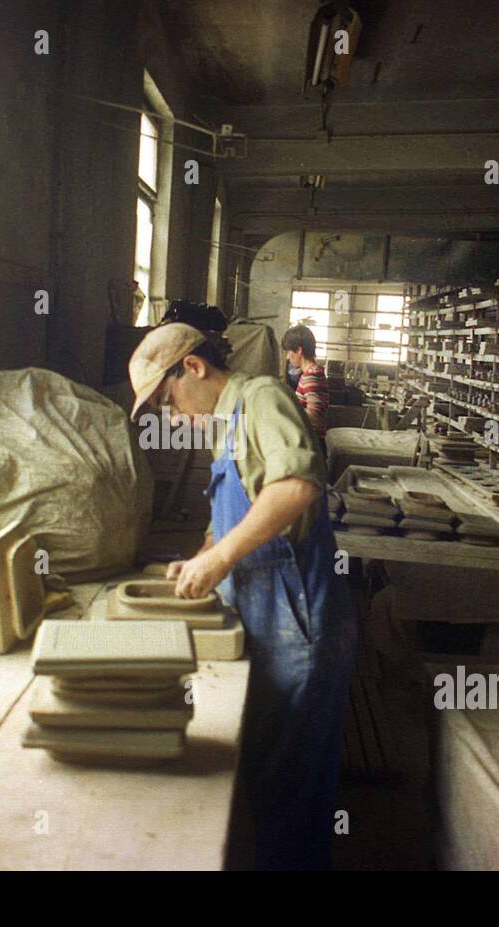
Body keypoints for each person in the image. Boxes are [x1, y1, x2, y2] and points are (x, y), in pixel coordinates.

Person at [128, 322, 357, 870]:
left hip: (300, 622)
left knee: (295, 788)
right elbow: (234, 508)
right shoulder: (222, 424)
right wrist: (203, 551)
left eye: (168, 399)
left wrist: (221, 558)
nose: (172, 416)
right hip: (262, 619)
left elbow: (296, 486)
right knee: (266, 774)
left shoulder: (261, 399)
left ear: (194, 367)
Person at [281, 325, 329, 441]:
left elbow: (315, 417)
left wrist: (287, 409)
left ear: (299, 350)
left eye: (289, 351)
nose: (287, 357)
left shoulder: (311, 375)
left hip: (312, 442)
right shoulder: (311, 373)